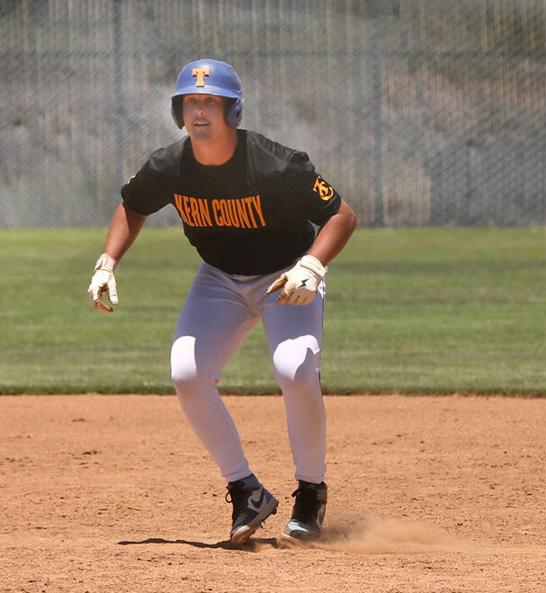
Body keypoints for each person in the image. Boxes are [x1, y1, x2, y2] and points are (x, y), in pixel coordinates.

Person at [86, 59, 357, 546]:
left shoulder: (276, 164)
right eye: (191, 101)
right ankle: (246, 491)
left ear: (232, 110)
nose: (199, 111)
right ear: (178, 111)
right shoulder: (169, 165)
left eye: (210, 102)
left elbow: (342, 216)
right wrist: (107, 261)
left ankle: (311, 493)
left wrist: (312, 267)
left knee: (295, 368)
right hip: (219, 279)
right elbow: (133, 204)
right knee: (187, 374)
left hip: (285, 274)